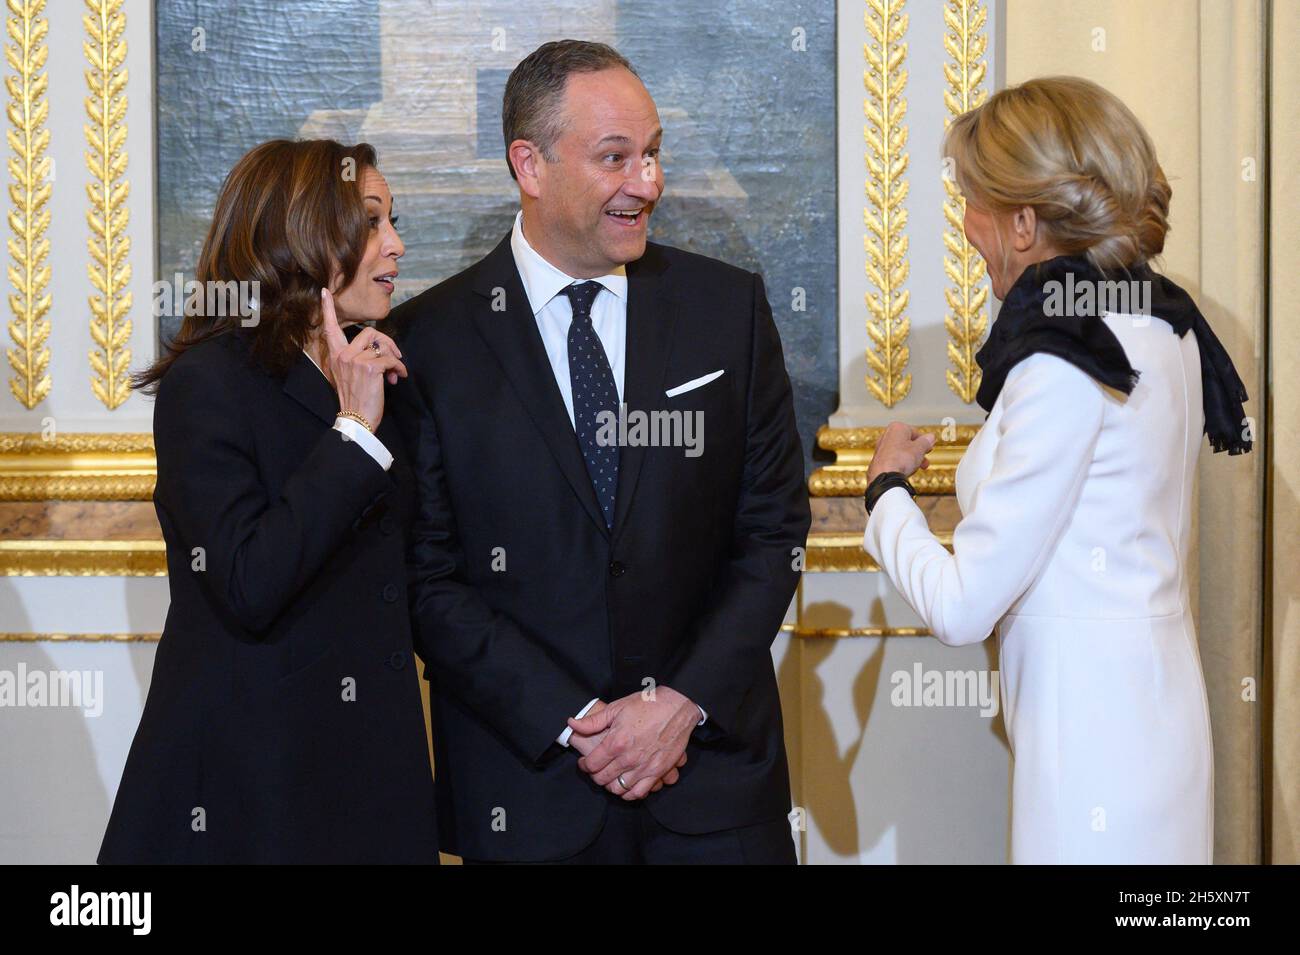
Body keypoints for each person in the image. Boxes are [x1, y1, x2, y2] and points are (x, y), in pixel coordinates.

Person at [386, 40, 810, 864]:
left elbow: (772, 530)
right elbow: (427, 577)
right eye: (616, 157)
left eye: (652, 154)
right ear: (530, 164)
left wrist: (680, 703)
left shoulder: (727, 310)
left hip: (715, 788)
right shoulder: (427, 342)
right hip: (529, 794)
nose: (646, 183)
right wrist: (580, 722)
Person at [862, 76, 1252, 864]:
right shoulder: (1159, 322)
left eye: (973, 201)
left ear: (1024, 222)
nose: (967, 226)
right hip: (1156, 717)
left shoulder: (1067, 356)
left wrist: (886, 493)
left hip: (1093, 752)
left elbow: (964, 606)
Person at [99, 139, 438, 863]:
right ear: (304, 232)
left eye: (393, 220)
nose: (396, 245)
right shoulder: (210, 384)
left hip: (373, 784)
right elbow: (251, 579)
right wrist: (351, 432)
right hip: (249, 793)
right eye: (371, 222)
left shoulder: (381, 372)